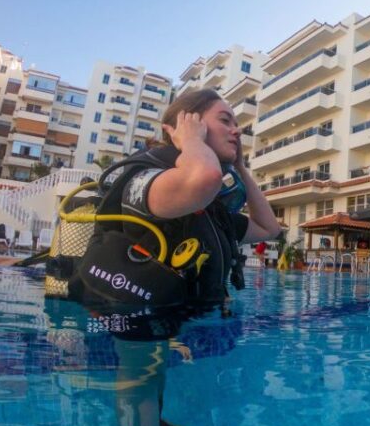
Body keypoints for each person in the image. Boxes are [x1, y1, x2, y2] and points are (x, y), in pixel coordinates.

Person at [70, 87, 282, 306]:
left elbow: (269, 228)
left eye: (236, 124)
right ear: (188, 124)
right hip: (143, 336)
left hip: (193, 331)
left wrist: (239, 165)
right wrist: (191, 140)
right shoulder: (146, 179)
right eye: (225, 121)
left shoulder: (211, 209)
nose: (237, 131)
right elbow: (205, 178)